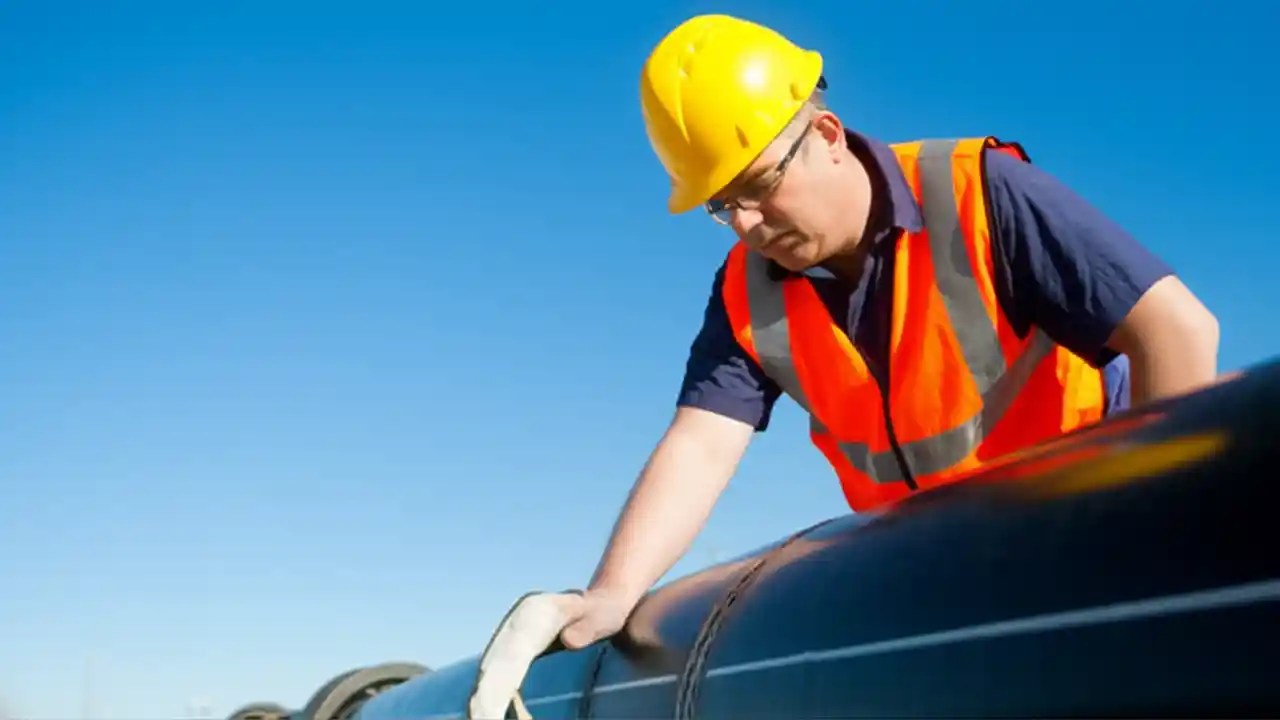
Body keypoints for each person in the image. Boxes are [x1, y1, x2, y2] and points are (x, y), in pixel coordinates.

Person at [465, 13, 1220, 717]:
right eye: (724, 206)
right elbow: (700, 443)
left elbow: (1177, 331)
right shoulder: (746, 290)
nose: (749, 225)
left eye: (758, 187)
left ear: (826, 132)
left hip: (1069, 557)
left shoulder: (978, 195)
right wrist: (608, 594)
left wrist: (1144, 573)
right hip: (932, 589)